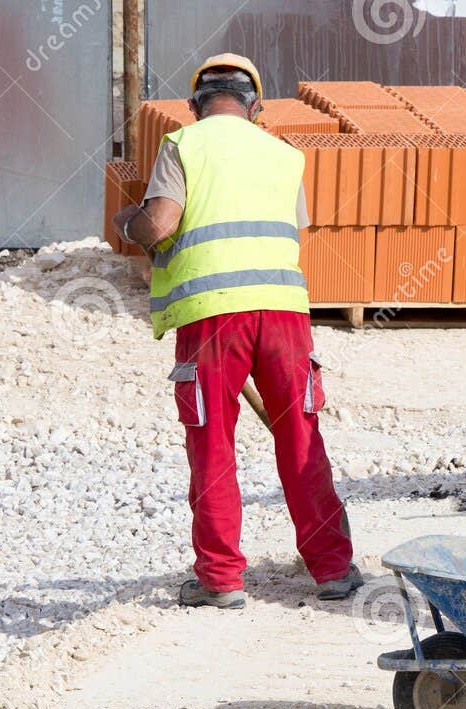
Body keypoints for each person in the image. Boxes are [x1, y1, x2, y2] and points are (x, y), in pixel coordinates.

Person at [112, 54, 363, 607]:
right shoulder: (284, 155)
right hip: (284, 312)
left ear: (194, 105)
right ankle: (333, 570)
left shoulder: (183, 144)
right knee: (300, 437)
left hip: (212, 315)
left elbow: (159, 223)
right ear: (257, 107)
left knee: (212, 442)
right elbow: (293, 233)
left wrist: (127, 223)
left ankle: (221, 580)